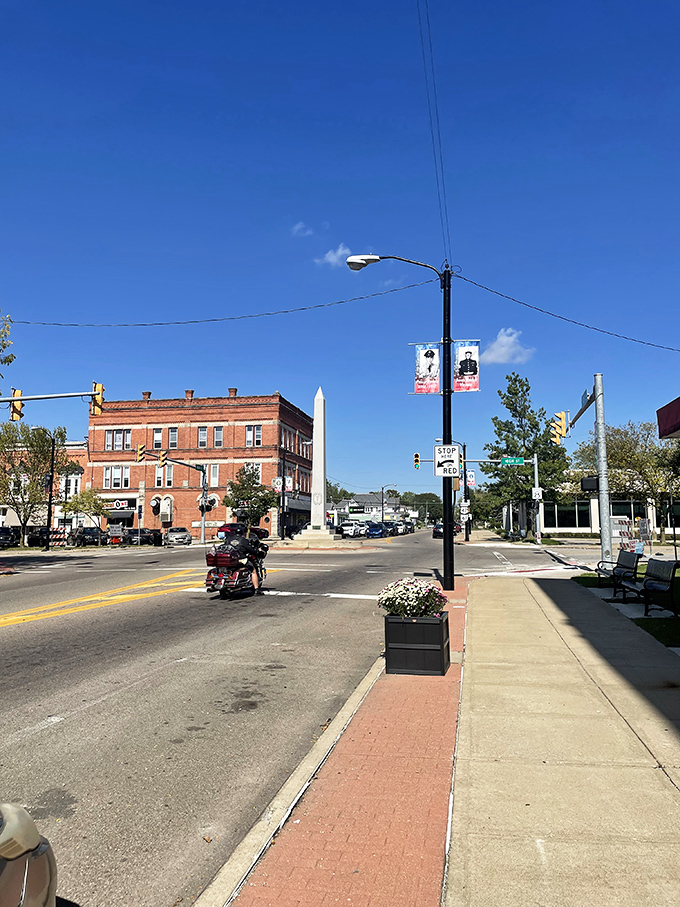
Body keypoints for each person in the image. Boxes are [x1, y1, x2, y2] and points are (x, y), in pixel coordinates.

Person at [226, 529, 268, 594]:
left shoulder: (229, 539)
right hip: (241, 559)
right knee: (253, 571)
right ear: (242, 533)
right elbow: (250, 549)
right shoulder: (243, 540)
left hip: (231, 559)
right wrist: (256, 551)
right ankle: (256, 589)